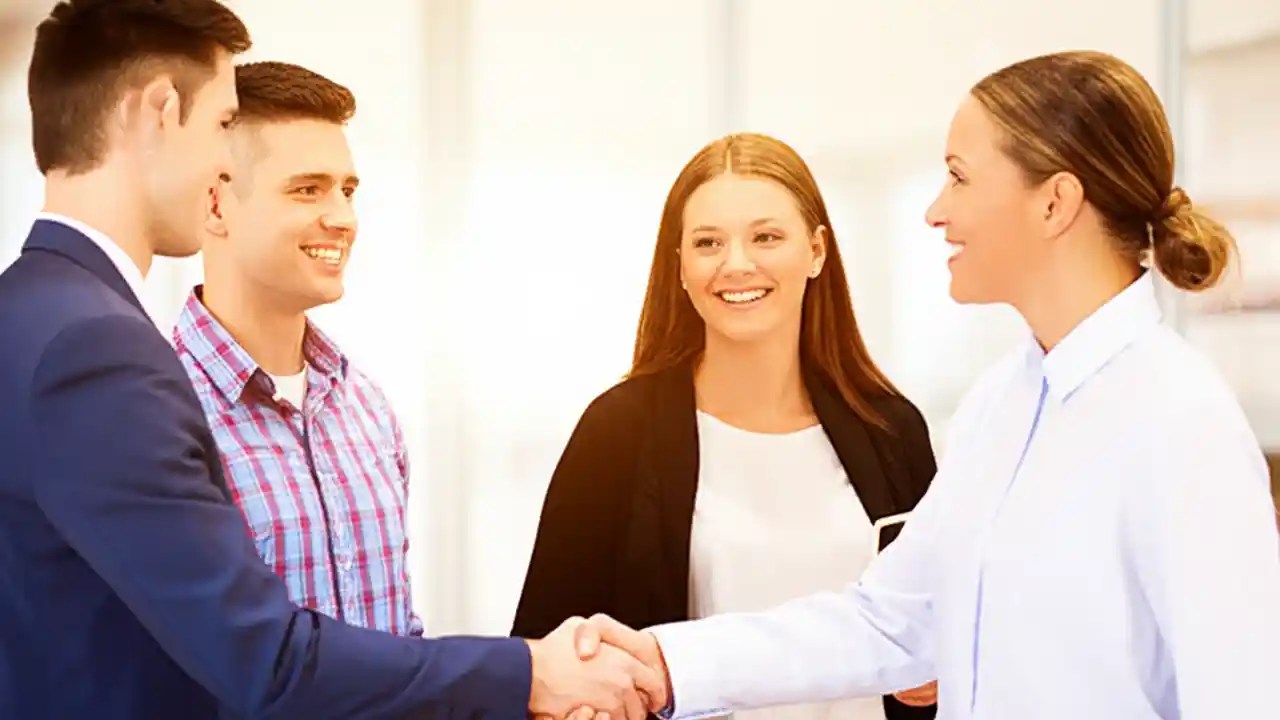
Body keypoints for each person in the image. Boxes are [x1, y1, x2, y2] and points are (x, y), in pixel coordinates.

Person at [0, 2, 664, 718]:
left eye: (346, 189)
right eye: (224, 124)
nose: (224, 159)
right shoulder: (100, 352)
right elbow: (265, 660)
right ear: (160, 110)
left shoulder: (32, 311)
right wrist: (530, 674)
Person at [571, 50, 1280, 720]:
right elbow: (895, 619)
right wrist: (667, 664)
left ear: (1055, 202)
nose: (936, 209)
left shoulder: (1181, 422)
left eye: (960, 176)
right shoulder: (1000, 403)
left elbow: (1244, 700)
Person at [513, 132, 939, 720]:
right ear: (680, 265)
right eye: (708, 242)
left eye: (766, 237)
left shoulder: (892, 431)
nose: (737, 264)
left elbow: (941, 627)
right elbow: (544, 657)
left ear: (816, 251)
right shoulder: (617, 432)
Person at [173, 60, 423, 638]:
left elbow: (401, 638)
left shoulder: (367, 409)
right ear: (215, 205)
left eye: (348, 190)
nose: (343, 218)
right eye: (307, 190)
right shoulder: (155, 411)